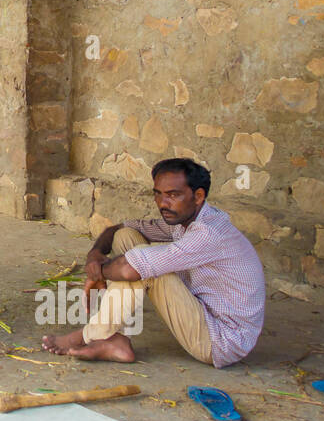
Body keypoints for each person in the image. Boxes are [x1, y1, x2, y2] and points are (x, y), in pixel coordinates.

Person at [42, 157, 265, 367]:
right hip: (201, 311)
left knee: (145, 269)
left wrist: (96, 273)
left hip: (219, 341)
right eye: (158, 194)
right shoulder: (183, 220)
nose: (162, 203)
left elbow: (131, 270)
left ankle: (90, 335)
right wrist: (94, 255)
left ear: (198, 196)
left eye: (173, 195)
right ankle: (115, 340)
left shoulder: (208, 233)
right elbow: (117, 229)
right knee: (127, 237)